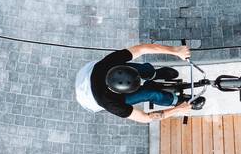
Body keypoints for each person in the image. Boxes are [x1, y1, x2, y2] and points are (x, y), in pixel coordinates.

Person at [74, 42, 202, 123]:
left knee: (144, 69)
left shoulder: (109, 62)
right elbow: (145, 118)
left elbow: (142, 48)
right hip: (90, 95)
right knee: (150, 94)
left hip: (93, 72)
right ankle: (176, 101)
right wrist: (178, 110)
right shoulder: (112, 104)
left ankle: (155, 74)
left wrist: (175, 50)